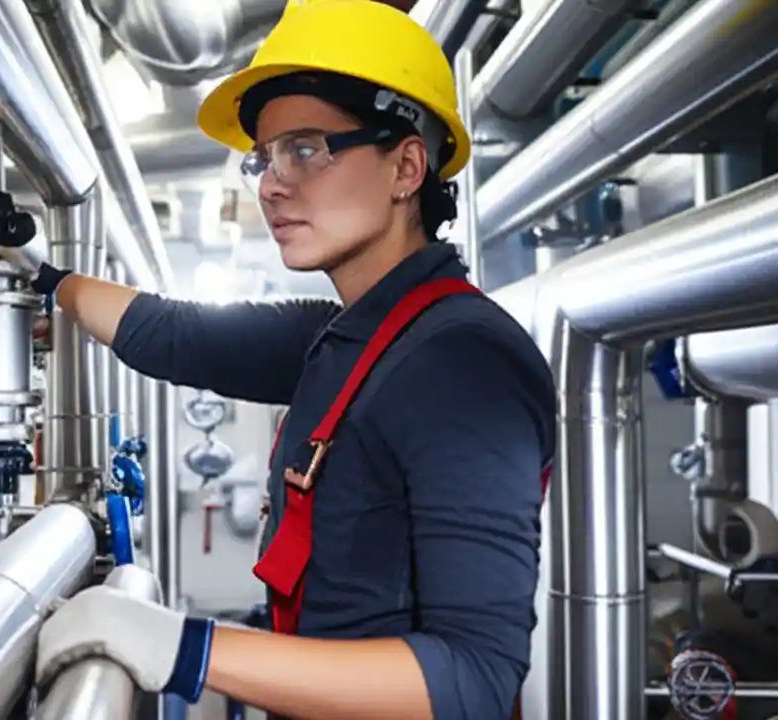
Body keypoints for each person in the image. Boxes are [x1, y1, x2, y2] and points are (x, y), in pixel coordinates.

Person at [31, 1, 557, 717]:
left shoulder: (462, 363)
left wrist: (186, 647)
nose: (271, 185)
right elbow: (170, 333)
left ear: (406, 166)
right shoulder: (351, 337)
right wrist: (41, 277)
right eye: (265, 158)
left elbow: (472, 680)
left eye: (306, 149)